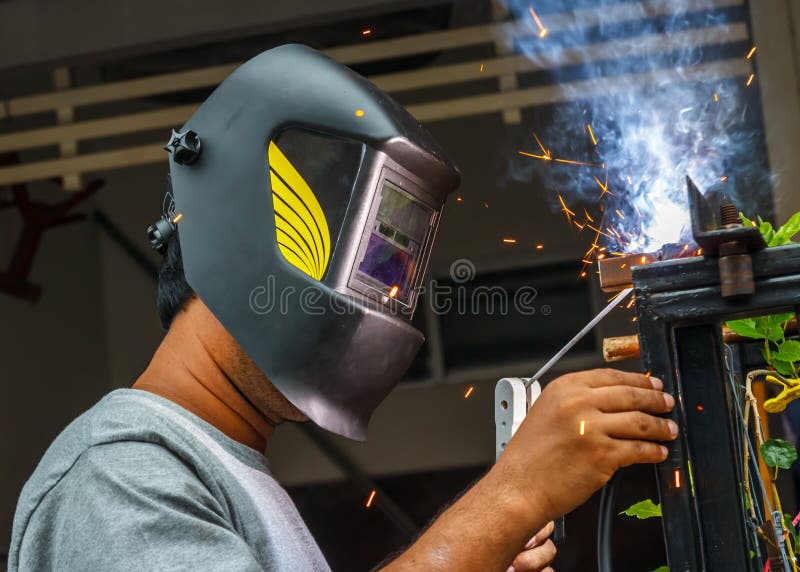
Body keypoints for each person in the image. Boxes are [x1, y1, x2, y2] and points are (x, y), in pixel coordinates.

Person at [8, 45, 677, 572]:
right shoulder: (115, 474)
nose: (383, 293)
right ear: (244, 227)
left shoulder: (230, 472)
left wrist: (478, 553)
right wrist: (511, 498)